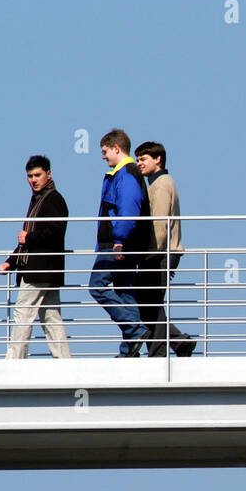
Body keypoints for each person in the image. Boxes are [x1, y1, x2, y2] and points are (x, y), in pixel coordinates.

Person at [89, 129, 153, 357]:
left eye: (105, 151)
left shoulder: (125, 174)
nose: (103, 156)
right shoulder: (123, 173)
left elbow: (128, 209)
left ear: (116, 148)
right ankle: (130, 350)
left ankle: (135, 330)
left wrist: (119, 240)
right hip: (123, 244)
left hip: (118, 244)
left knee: (97, 285)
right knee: (125, 291)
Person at [0, 155, 71, 358]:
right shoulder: (39, 199)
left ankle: (14, 361)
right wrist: (10, 262)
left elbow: (55, 233)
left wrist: (29, 237)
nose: (33, 179)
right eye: (30, 176)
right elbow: (26, 242)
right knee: (51, 318)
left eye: (37, 175)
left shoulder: (53, 199)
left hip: (39, 271)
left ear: (48, 174)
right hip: (44, 271)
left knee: (23, 313)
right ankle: (65, 362)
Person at [133, 141, 194, 357]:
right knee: (149, 302)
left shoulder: (160, 184)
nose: (139, 163)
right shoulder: (159, 183)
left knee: (149, 302)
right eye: (137, 159)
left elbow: (160, 223)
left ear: (158, 159)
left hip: (160, 253)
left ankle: (160, 352)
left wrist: (149, 255)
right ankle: (178, 343)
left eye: (143, 159)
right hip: (162, 252)